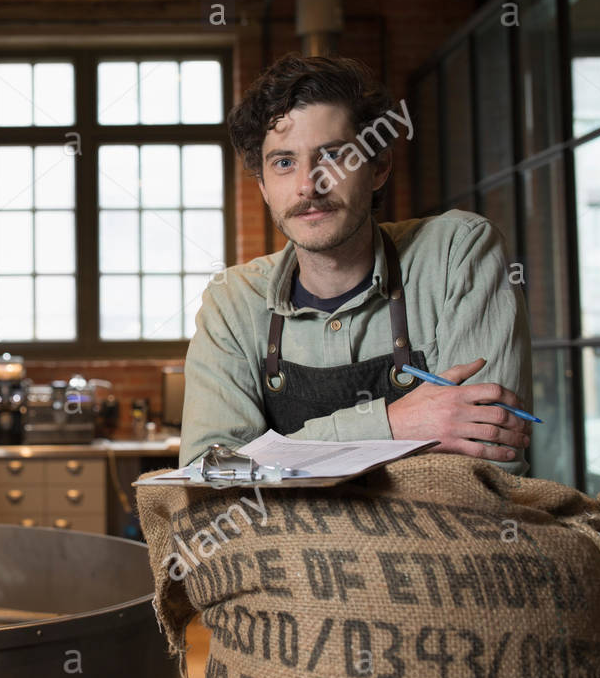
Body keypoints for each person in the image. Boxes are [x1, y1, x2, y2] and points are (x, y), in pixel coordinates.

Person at [180, 54, 533, 475]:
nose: (309, 185)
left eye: (333, 155)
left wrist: (280, 460)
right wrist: (394, 424)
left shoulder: (458, 252)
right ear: (263, 186)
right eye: (284, 163)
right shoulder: (234, 302)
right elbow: (212, 474)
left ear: (379, 166)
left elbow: (482, 464)